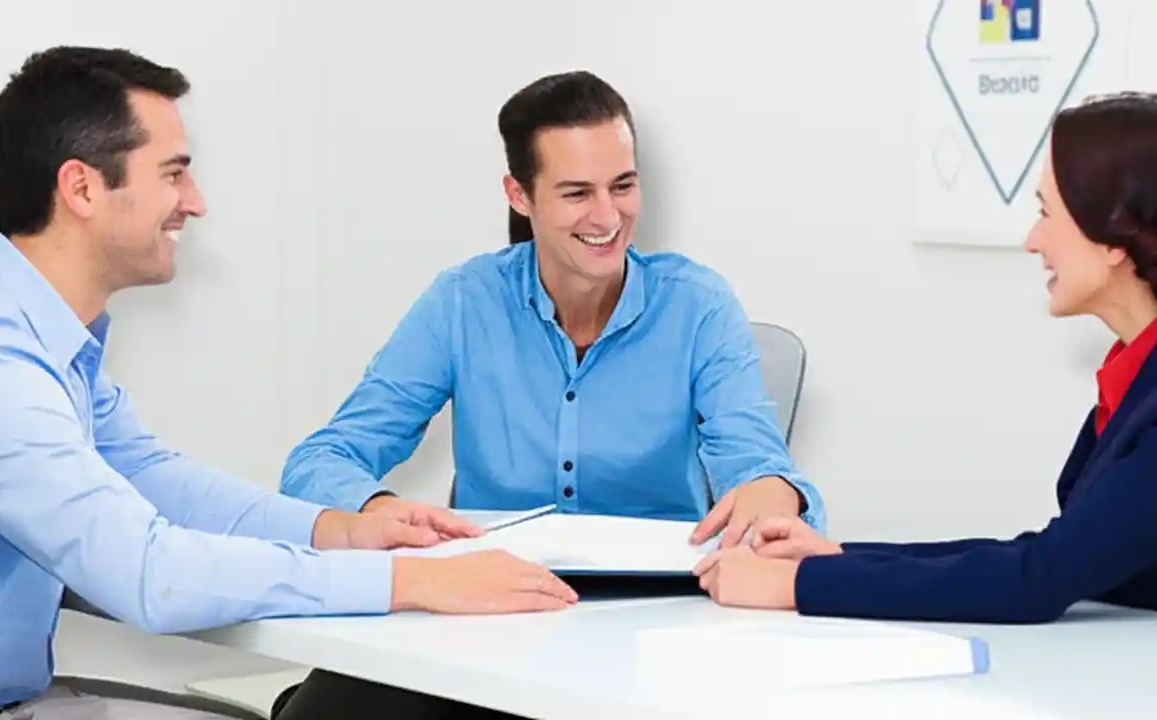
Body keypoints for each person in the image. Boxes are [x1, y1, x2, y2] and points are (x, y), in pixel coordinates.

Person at [0, 46, 578, 720]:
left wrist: (335, 530)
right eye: (173, 173)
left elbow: (149, 475)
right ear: (82, 187)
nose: (196, 201)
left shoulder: (26, 329)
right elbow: (151, 574)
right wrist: (413, 583)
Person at [273, 70, 825, 718]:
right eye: (576, 193)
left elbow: (762, 473)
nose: (607, 216)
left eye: (623, 186)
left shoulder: (698, 307)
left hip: (654, 633)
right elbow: (317, 463)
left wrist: (771, 492)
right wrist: (373, 503)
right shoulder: (462, 302)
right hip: (485, 619)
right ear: (520, 194)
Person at [696, 92, 1157, 624]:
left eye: (1047, 213)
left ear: (1114, 234)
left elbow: (1037, 579)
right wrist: (838, 558)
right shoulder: (1131, 374)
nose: (1032, 241)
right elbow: (1053, 553)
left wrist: (797, 585)